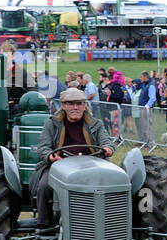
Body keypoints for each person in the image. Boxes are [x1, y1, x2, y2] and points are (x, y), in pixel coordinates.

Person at [33, 87, 113, 228]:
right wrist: (50, 156)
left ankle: (113, 223)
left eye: (79, 103)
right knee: (44, 186)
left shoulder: (96, 124)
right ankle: (44, 224)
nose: (75, 107)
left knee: (115, 183)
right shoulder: (51, 124)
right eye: (71, 104)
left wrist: (108, 149)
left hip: (92, 165)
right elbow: (43, 147)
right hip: (60, 165)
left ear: (84, 105)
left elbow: (107, 142)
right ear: (63, 105)